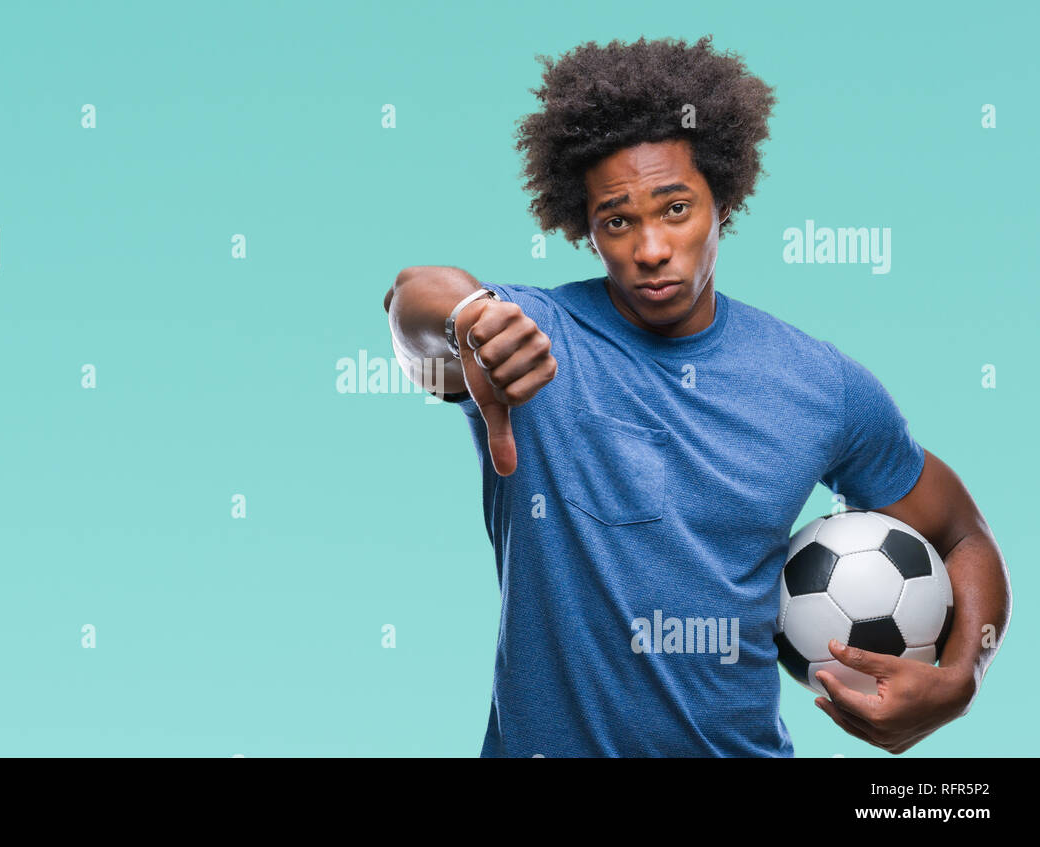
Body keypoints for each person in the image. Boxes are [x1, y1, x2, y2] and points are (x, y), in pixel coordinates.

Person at [383, 35, 1010, 757]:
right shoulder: (526, 339)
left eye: (675, 209)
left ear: (723, 202)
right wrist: (466, 321)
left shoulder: (819, 383)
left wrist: (962, 677)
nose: (650, 248)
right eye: (618, 220)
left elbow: (961, 533)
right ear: (587, 230)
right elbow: (413, 298)